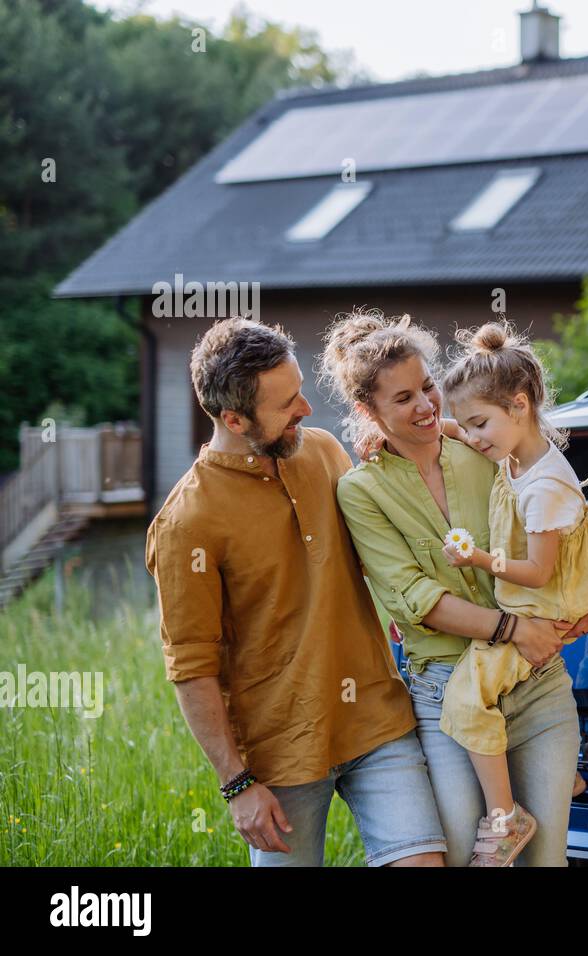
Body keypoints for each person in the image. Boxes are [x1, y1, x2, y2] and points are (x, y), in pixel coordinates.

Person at [145, 317, 443, 867]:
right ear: (234, 419)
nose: (305, 408)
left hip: (376, 720)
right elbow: (191, 666)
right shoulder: (186, 523)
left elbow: (386, 546)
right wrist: (237, 785)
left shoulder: (325, 452)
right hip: (280, 752)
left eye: (300, 389)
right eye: (286, 404)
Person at [324, 309, 588, 867]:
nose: (426, 406)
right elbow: (417, 600)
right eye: (402, 399)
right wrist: (514, 627)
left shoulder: (481, 446)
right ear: (367, 412)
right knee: (465, 856)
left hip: (537, 681)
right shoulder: (362, 491)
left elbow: (558, 511)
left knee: (544, 859)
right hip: (448, 692)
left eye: (427, 387)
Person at [435, 321, 588, 865]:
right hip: (537, 602)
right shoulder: (515, 453)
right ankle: (564, 773)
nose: (474, 437)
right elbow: (464, 431)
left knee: (464, 700)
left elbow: (535, 570)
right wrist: (430, 425)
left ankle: (505, 818)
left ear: (520, 405)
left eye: (481, 423)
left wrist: (477, 558)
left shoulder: (545, 486)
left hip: (539, 604)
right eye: (467, 426)